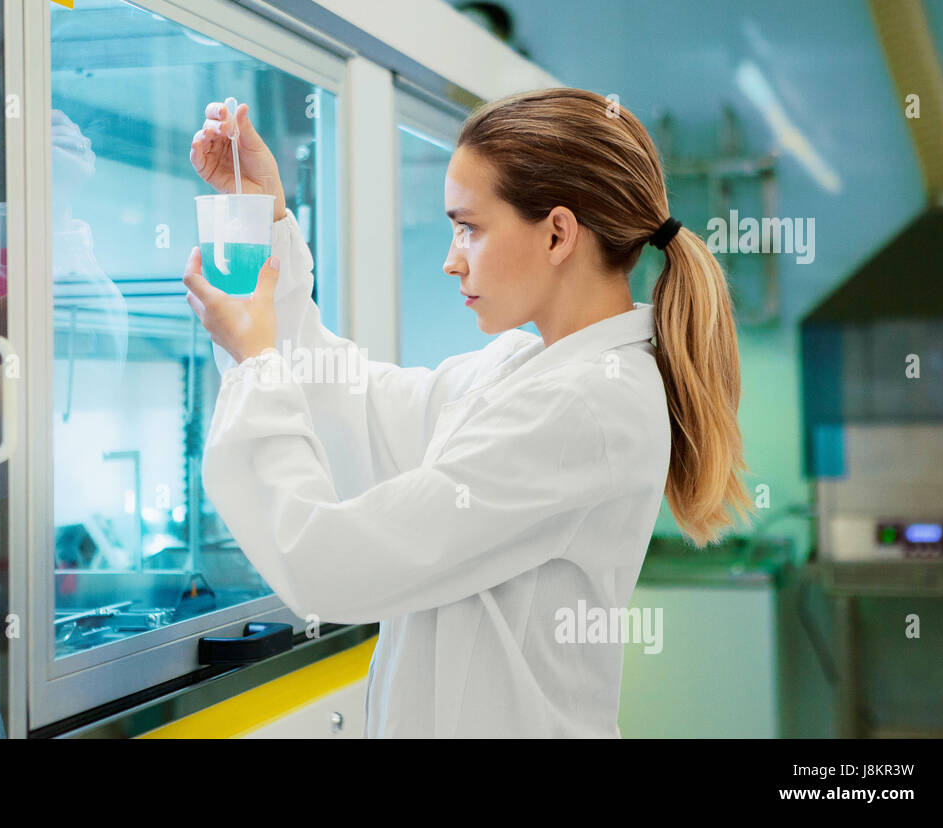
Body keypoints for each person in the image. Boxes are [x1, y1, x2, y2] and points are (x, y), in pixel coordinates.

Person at [183, 89, 754, 738]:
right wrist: (262, 216)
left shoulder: (585, 406)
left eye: (469, 227)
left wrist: (256, 364)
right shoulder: (527, 371)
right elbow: (352, 405)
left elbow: (324, 564)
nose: (452, 259)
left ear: (558, 233)